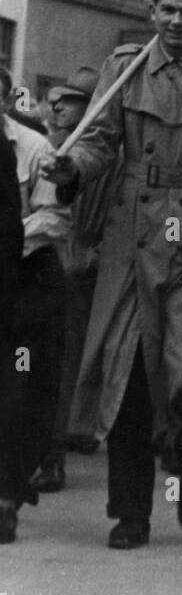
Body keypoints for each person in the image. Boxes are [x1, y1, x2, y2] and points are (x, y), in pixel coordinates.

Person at [40, 0, 182, 551]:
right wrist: (73, 167)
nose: (176, 21)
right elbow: (98, 140)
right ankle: (131, 513)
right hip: (135, 231)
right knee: (129, 376)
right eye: (167, 9)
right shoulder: (124, 68)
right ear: (152, 10)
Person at [33, 68, 119, 493]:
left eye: (68, 100)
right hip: (37, 259)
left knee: (64, 365)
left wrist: (100, 253)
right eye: (54, 99)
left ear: (93, 108)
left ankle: (53, 455)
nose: (56, 106)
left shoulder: (107, 159)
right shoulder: (40, 147)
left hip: (83, 267)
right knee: (27, 360)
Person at [0, 75, 71, 543]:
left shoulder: (33, 147)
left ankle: (6, 499)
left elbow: (52, 219)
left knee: (16, 393)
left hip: (26, 284)